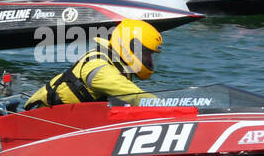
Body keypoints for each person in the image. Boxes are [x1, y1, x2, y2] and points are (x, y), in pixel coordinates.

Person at [23, 20, 162, 109]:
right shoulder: (101, 69)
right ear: (129, 46)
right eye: (147, 54)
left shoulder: (118, 63)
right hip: (42, 122)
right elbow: (135, 96)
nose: (150, 60)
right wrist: (171, 107)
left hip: (71, 121)